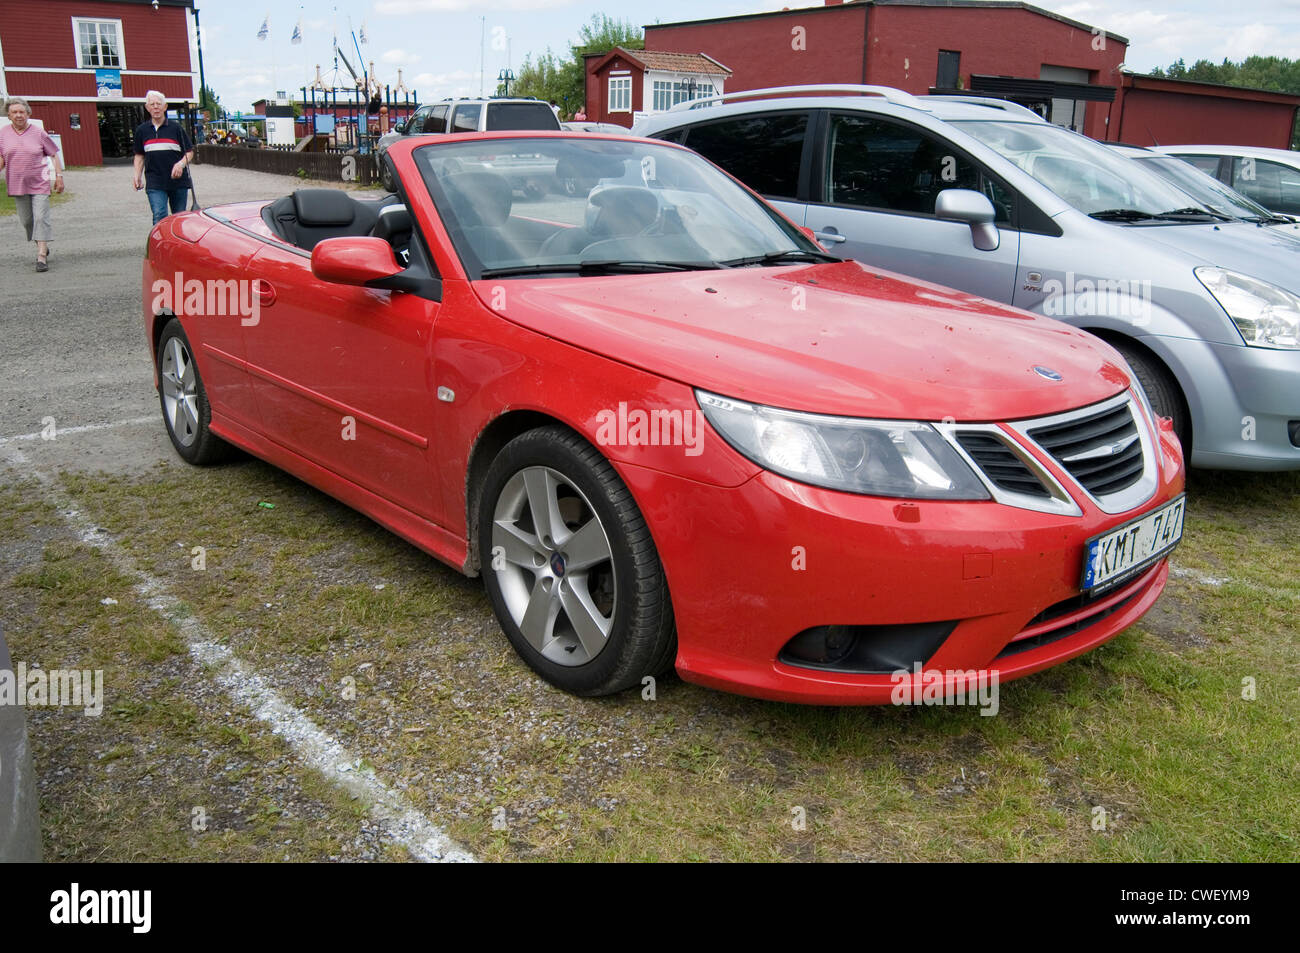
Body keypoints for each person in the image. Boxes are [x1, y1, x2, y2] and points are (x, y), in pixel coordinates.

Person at [0, 97, 64, 273]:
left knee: (40, 218)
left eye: (22, 112)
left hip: (39, 182)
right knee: (27, 221)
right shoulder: (3, 134)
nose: (19, 115)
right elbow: (2, 158)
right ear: (9, 115)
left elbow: (53, 154)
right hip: (17, 184)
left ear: (28, 113)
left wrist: (58, 176)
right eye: (15, 112)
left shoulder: (38, 133)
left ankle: (41, 256)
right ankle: (41, 243)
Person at [132, 90, 194, 225]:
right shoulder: (142, 131)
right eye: (152, 104)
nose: (156, 107)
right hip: (155, 181)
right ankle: (160, 244)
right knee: (159, 214)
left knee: (178, 217)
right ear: (147, 108)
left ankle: (177, 245)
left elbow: (189, 152)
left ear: (165, 107)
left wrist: (180, 164)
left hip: (178, 181)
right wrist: (137, 175)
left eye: (159, 104)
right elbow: (139, 155)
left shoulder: (176, 128)